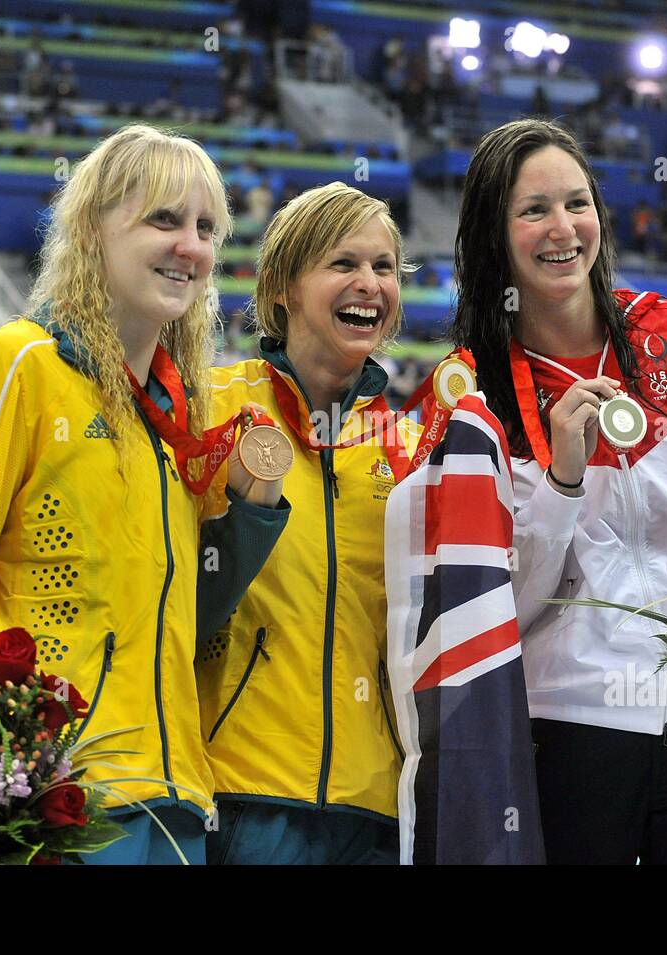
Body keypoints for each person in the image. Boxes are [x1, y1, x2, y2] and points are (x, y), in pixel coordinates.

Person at [0, 125, 289, 866]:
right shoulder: (14, 366)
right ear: (94, 229)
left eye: (204, 227)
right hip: (43, 804)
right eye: (163, 219)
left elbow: (187, 618)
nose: (189, 245)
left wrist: (251, 518)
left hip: (173, 805)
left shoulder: (178, 416)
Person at [449, 119, 667, 864]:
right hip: (570, 730)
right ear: (493, 234)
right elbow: (501, 607)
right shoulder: (472, 393)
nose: (562, 228)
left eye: (577, 203)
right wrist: (562, 482)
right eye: (532, 209)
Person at [199, 182, 419, 864]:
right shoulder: (211, 409)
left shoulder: (407, 445)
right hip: (242, 795)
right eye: (343, 263)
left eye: (384, 267)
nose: (370, 283)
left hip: (375, 809)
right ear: (282, 286)